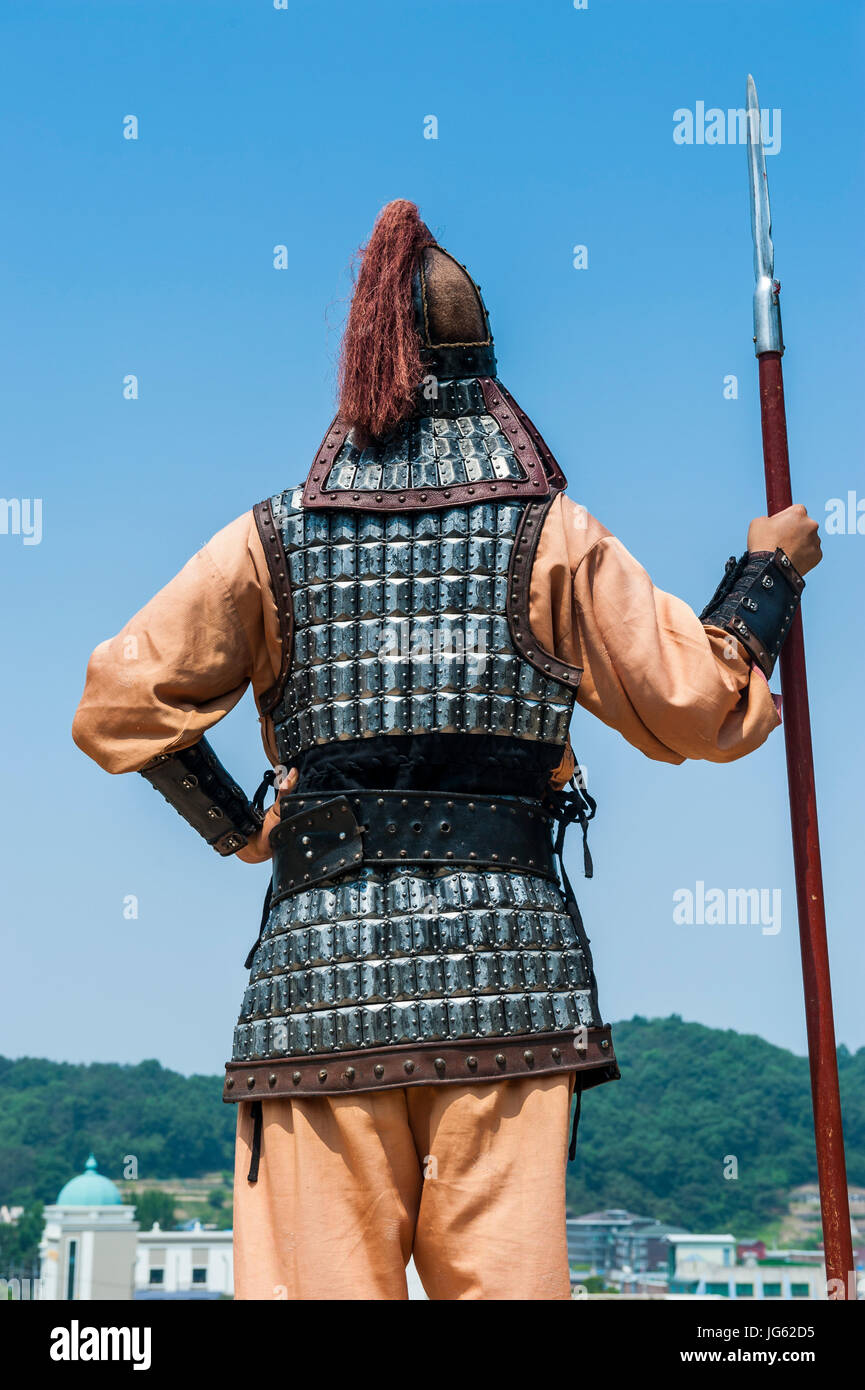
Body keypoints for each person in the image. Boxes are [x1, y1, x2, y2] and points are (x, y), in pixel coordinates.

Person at [72, 200, 821, 1300]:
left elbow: (117, 702)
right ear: (481, 368)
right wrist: (767, 576)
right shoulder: (549, 533)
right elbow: (700, 707)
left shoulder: (270, 537)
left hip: (318, 1003)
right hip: (504, 1005)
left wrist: (242, 828)